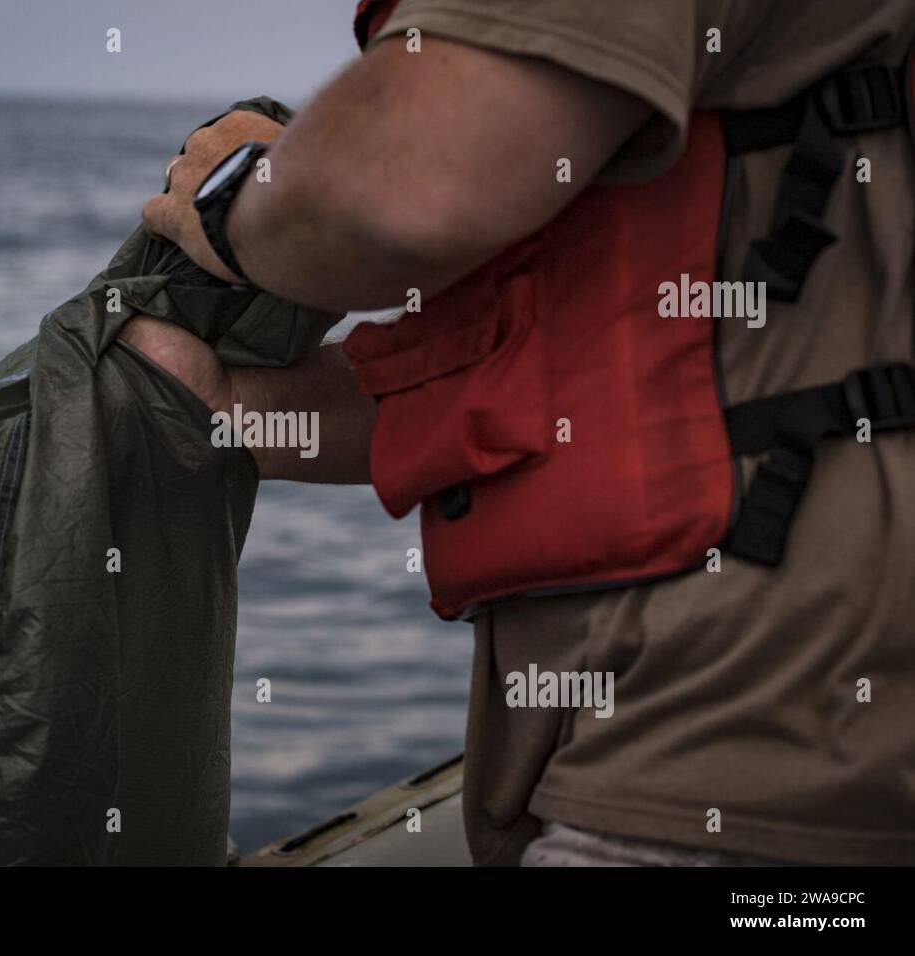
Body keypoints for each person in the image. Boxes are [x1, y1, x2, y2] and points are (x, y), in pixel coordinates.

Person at [121, 0, 915, 866]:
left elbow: (406, 184)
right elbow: (574, 362)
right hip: (764, 734)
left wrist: (235, 189)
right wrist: (233, 409)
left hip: (730, 732)